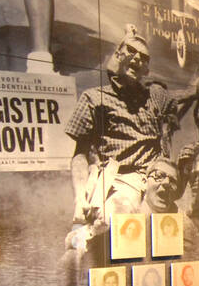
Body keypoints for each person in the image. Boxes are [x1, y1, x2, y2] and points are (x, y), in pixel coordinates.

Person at [66, 27, 183, 245]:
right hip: (121, 179)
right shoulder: (94, 99)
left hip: (155, 179)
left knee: (177, 236)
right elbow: (79, 154)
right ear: (117, 54)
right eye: (131, 51)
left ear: (147, 69)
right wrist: (80, 194)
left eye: (144, 58)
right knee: (117, 219)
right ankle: (82, 241)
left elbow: (185, 97)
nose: (138, 58)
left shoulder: (155, 97)